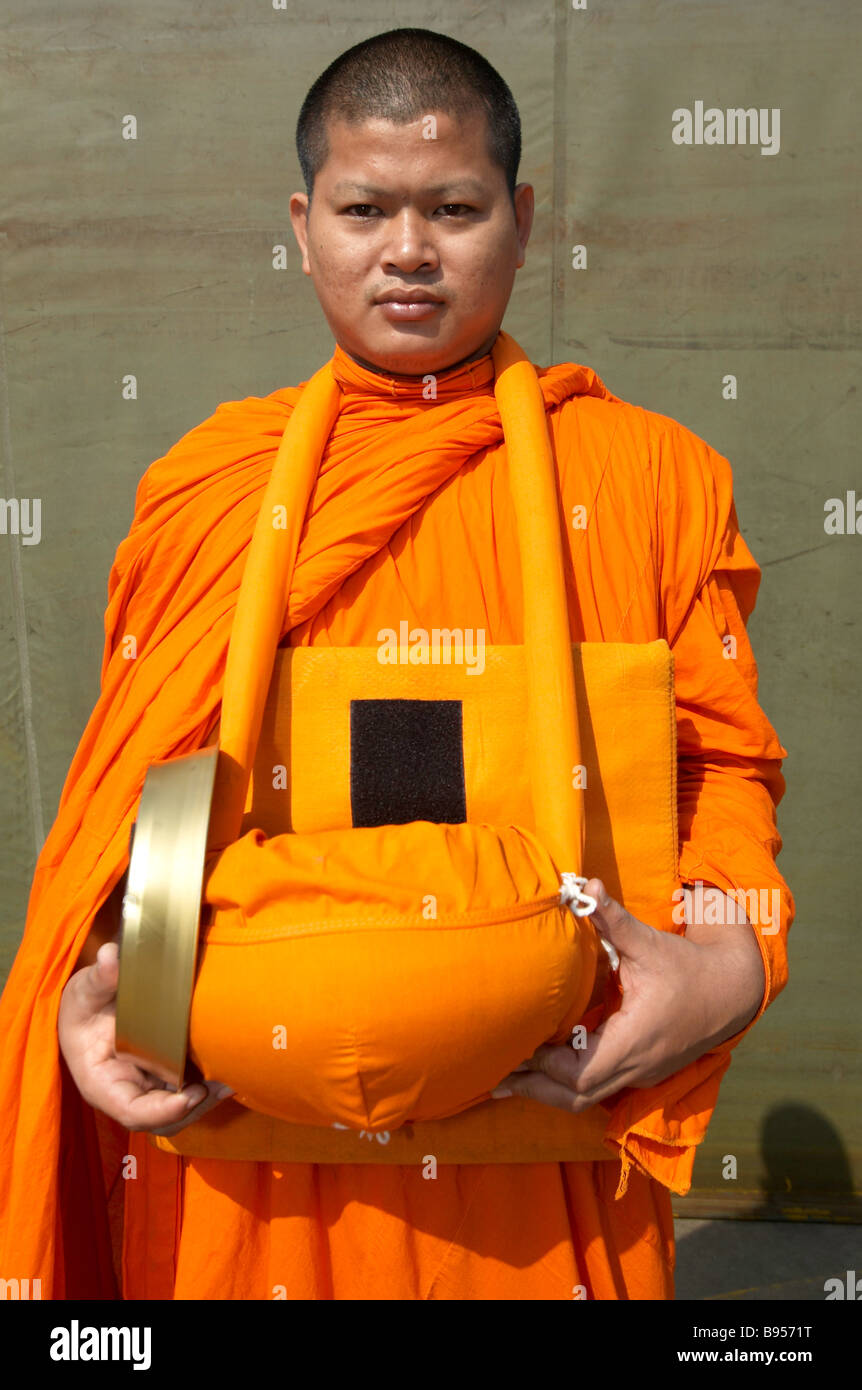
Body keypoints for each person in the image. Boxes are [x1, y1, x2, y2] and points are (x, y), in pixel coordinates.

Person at [0, 27, 792, 1300]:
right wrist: (103, 994)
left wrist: (727, 965)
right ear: (304, 224)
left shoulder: (646, 479)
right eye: (366, 208)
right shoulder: (212, 488)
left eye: (455, 208)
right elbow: (147, 802)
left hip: (543, 1144)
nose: (409, 250)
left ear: (523, 221)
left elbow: (723, 772)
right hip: (252, 1154)